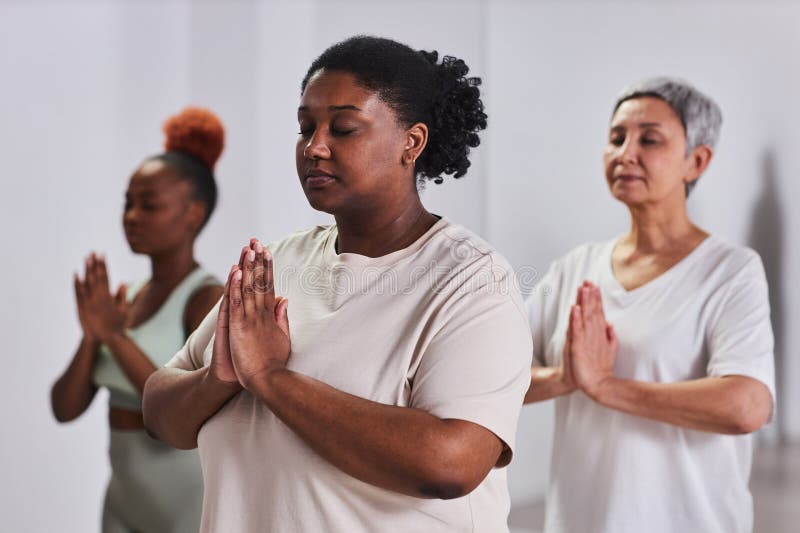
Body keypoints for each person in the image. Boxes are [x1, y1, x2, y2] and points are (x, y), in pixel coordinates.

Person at [142, 36, 532, 533]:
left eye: (343, 128)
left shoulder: (471, 281)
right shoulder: (279, 263)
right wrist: (218, 378)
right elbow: (160, 412)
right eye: (305, 127)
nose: (315, 147)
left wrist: (270, 377)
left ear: (412, 142)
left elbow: (450, 464)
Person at [524, 77, 775, 533]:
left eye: (650, 139)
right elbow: (492, 379)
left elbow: (747, 406)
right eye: (616, 137)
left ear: (696, 161)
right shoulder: (574, 268)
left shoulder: (731, 271)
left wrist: (606, 387)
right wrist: (563, 378)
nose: (626, 153)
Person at [51, 107, 225, 533]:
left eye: (149, 205)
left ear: (193, 213)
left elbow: (180, 411)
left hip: (185, 501)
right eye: (128, 203)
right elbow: (65, 408)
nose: (131, 216)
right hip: (123, 501)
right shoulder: (123, 300)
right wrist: (92, 337)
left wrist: (114, 336)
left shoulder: (206, 298)